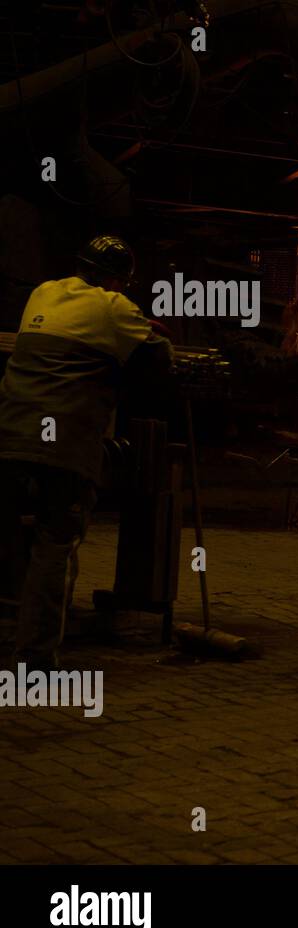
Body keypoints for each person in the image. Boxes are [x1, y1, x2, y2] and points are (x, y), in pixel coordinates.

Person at [0, 236, 173, 669]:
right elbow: (159, 359)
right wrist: (148, 331)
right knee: (54, 544)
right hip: (63, 449)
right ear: (117, 280)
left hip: (6, 438)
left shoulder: (43, 292)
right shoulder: (114, 307)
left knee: (9, 540)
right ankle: (35, 662)